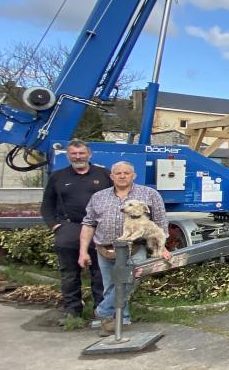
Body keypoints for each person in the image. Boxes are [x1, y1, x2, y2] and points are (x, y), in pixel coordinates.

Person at [78, 161, 170, 335]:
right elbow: (88, 224)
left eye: (126, 173)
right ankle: (120, 320)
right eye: (118, 173)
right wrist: (83, 251)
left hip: (135, 248)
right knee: (110, 287)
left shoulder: (149, 194)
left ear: (133, 175)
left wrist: (162, 246)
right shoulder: (99, 197)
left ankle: (103, 311)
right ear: (112, 176)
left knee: (130, 281)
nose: (122, 176)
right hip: (105, 250)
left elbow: (161, 221)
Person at [40, 139, 112, 324]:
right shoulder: (58, 177)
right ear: (68, 155)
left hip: (99, 230)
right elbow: (47, 205)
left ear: (89, 154)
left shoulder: (104, 175)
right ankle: (72, 311)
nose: (78, 157)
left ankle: (101, 311)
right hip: (69, 229)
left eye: (81, 153)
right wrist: (55, 226)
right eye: (74, 153)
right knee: (69, 273)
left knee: (101, 272)